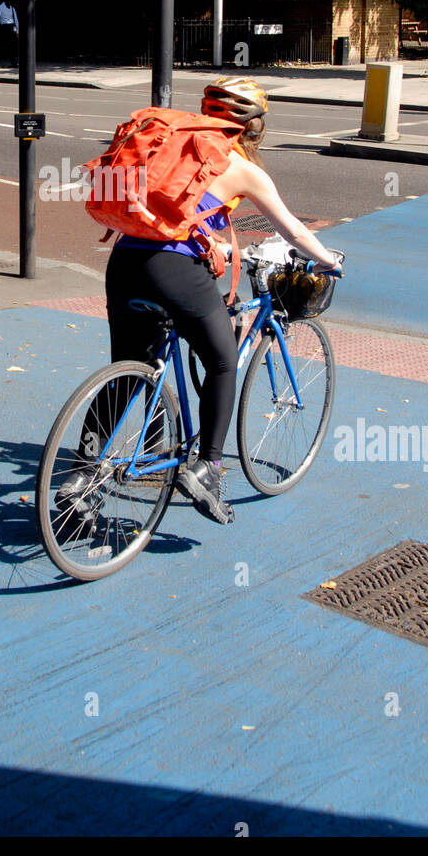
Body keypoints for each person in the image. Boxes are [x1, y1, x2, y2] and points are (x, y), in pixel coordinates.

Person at [58, 76, 343, 527]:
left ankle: (79, 480)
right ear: (253, 127)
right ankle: (208, 468)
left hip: (125, 262)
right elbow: (294, 231)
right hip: (173, 273)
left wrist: (222, 248)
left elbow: (180, 217)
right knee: (223, 360)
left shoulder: (176, 145)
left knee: (128, 374)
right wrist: (329, 262)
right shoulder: (242, 167)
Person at [0, 1, 18, 66]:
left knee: (3, 45)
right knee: (12, 45)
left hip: (5, 28)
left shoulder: (0, 7)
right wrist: (17, 31)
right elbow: (16, 20)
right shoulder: (12, 8)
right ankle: (13, 62)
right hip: (12, 27)